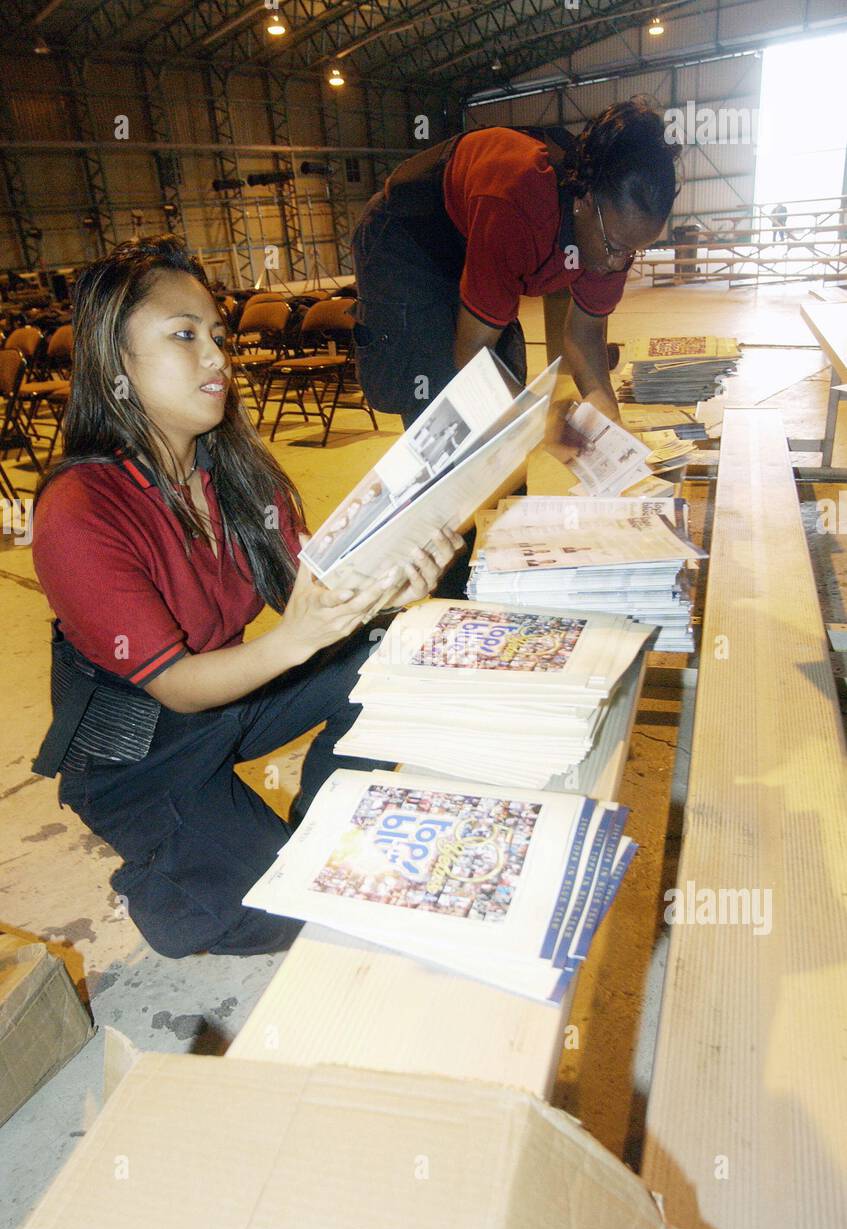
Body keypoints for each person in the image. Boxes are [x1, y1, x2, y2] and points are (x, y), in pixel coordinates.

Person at [31, 235, 462, 960]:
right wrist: (294, 638)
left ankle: (326, 829)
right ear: (116, 367)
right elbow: (174, 686)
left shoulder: (229, 469)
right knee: (281, 914)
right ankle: (172, 890)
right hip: (136, 754)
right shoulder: (80, 507)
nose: (216, 357)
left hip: (225, 699)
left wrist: (394, 584)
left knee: (388, 658)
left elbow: (314, 591)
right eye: (183, 335)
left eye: (217, 336)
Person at [351, 97, 681, 437]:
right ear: (583, 202)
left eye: (634, 252)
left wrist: (605, 411)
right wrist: (547, 424)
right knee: (447, 398)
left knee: (506, 394)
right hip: (408, 242)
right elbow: (472, 353)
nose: (618, 263)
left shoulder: (615, 231)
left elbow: (585, 334)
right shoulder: (517, 201)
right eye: (616, 247)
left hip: (475, 236)